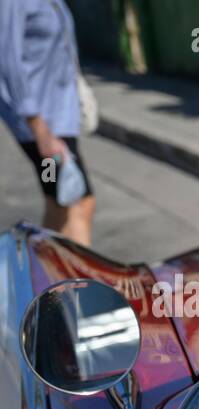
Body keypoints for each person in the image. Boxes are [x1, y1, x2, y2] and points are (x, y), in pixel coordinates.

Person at [0, 0, 96, 246]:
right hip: (42, 127)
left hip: (60, 119)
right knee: (77, 202)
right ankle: (79, 282)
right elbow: (7, 60)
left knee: (60, 201)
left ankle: (44, 273)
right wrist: (38, 128)